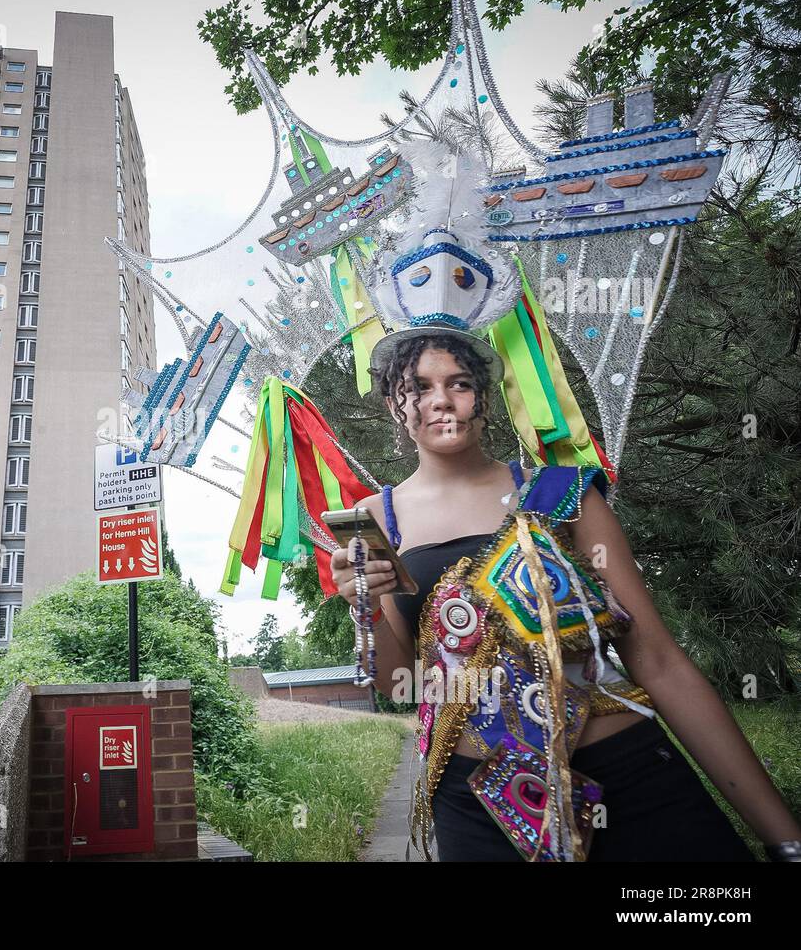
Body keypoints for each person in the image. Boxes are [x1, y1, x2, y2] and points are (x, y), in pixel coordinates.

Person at [330, 332, 801, 861]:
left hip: (628, 779)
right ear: (395, 404)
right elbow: (401, 687)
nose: (442, 400)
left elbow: (659, 661)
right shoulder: (375, 519)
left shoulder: (563, 492)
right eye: (418, 387)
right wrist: (364, 605)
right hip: (477, 805)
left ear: (485, 397)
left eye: (460, 383)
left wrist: (786, 841)